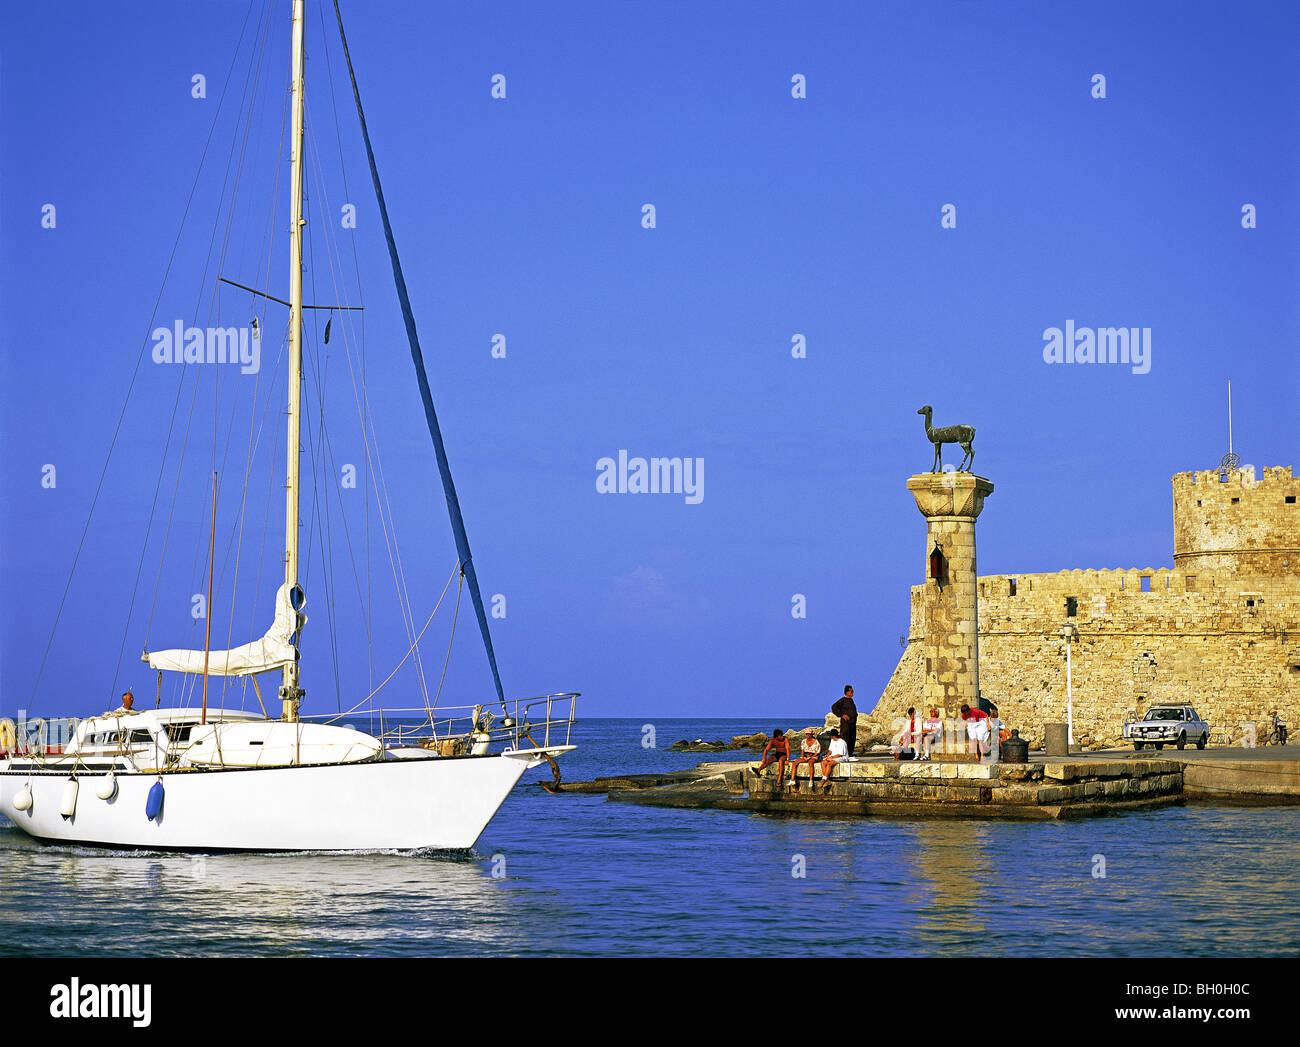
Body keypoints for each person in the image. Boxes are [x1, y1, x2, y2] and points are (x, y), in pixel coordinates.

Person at [831, 685, 858, 756]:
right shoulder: (843, 700)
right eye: (851, 691)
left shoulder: (851, 700)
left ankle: (850, 753)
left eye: (853, 691)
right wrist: (842, 715)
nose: (853, 692)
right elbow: (834, 707)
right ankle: (844, 753)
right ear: (847, 692)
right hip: (846, 723)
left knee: (852, 738)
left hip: (852, 723)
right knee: (845, 737)